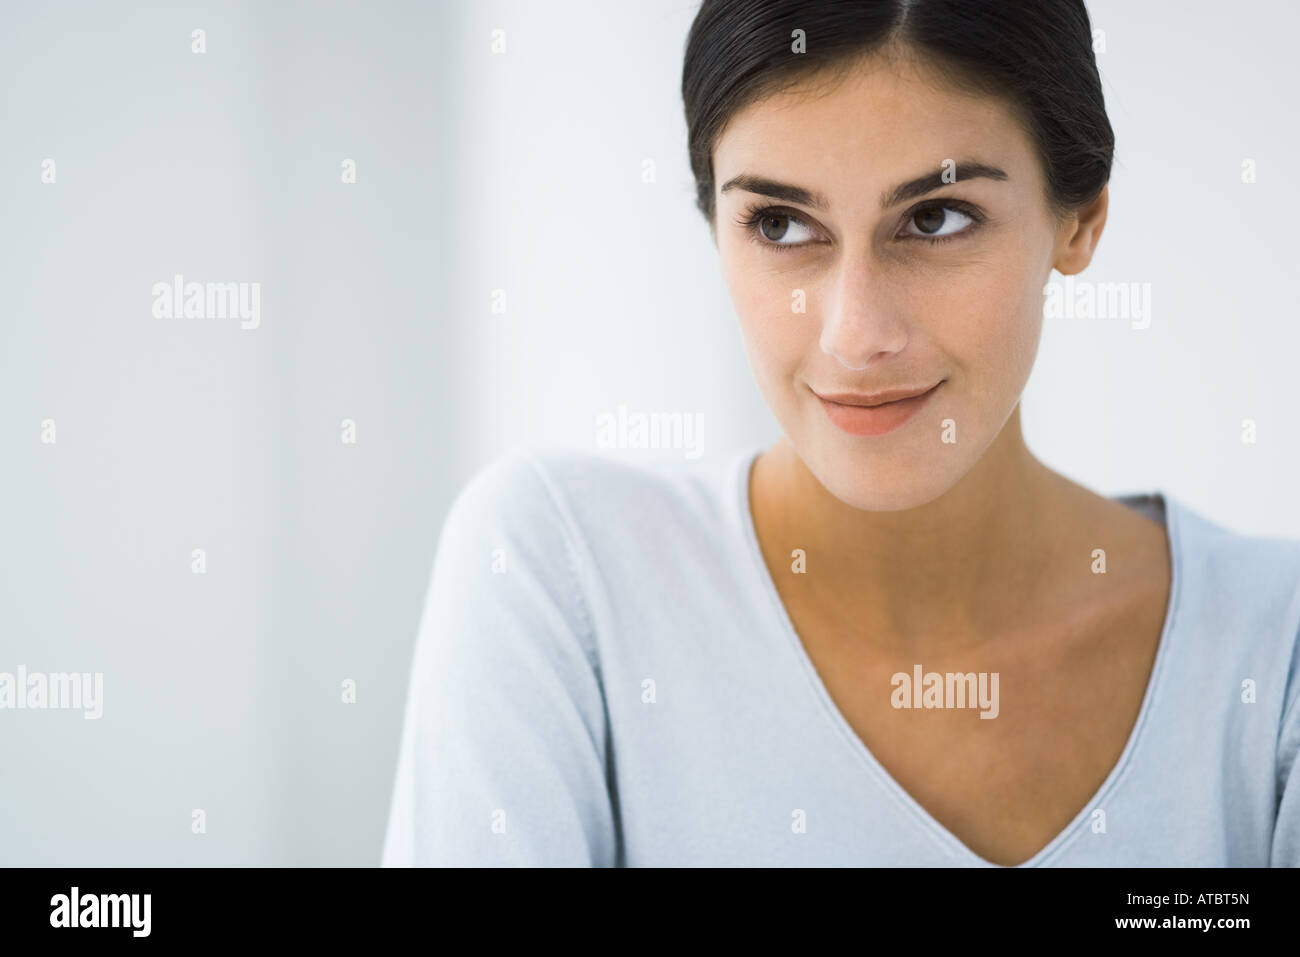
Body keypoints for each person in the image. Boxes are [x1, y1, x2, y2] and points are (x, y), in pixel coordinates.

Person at [382, 0, 1300, 867]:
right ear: (715, 227)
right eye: (781, 224)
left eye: (935, 219)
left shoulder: (1273, 648)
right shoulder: (561, 576)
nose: (855, 335)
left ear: (1081, 217)